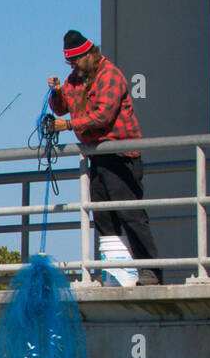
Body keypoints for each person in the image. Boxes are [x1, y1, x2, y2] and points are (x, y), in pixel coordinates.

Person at [46, 30, 161, 286]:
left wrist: (67, 126)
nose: (72, 66)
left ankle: (150, 271)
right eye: (69, 63)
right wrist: (56, 92)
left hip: (121, 155)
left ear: (88, 54)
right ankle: (114, 271)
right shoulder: (75, 78)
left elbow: (102, 116)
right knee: (103, 217)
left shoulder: (110, 75)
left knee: (130, 214)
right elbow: (62, 106)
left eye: (74, 61)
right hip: (97, 156)